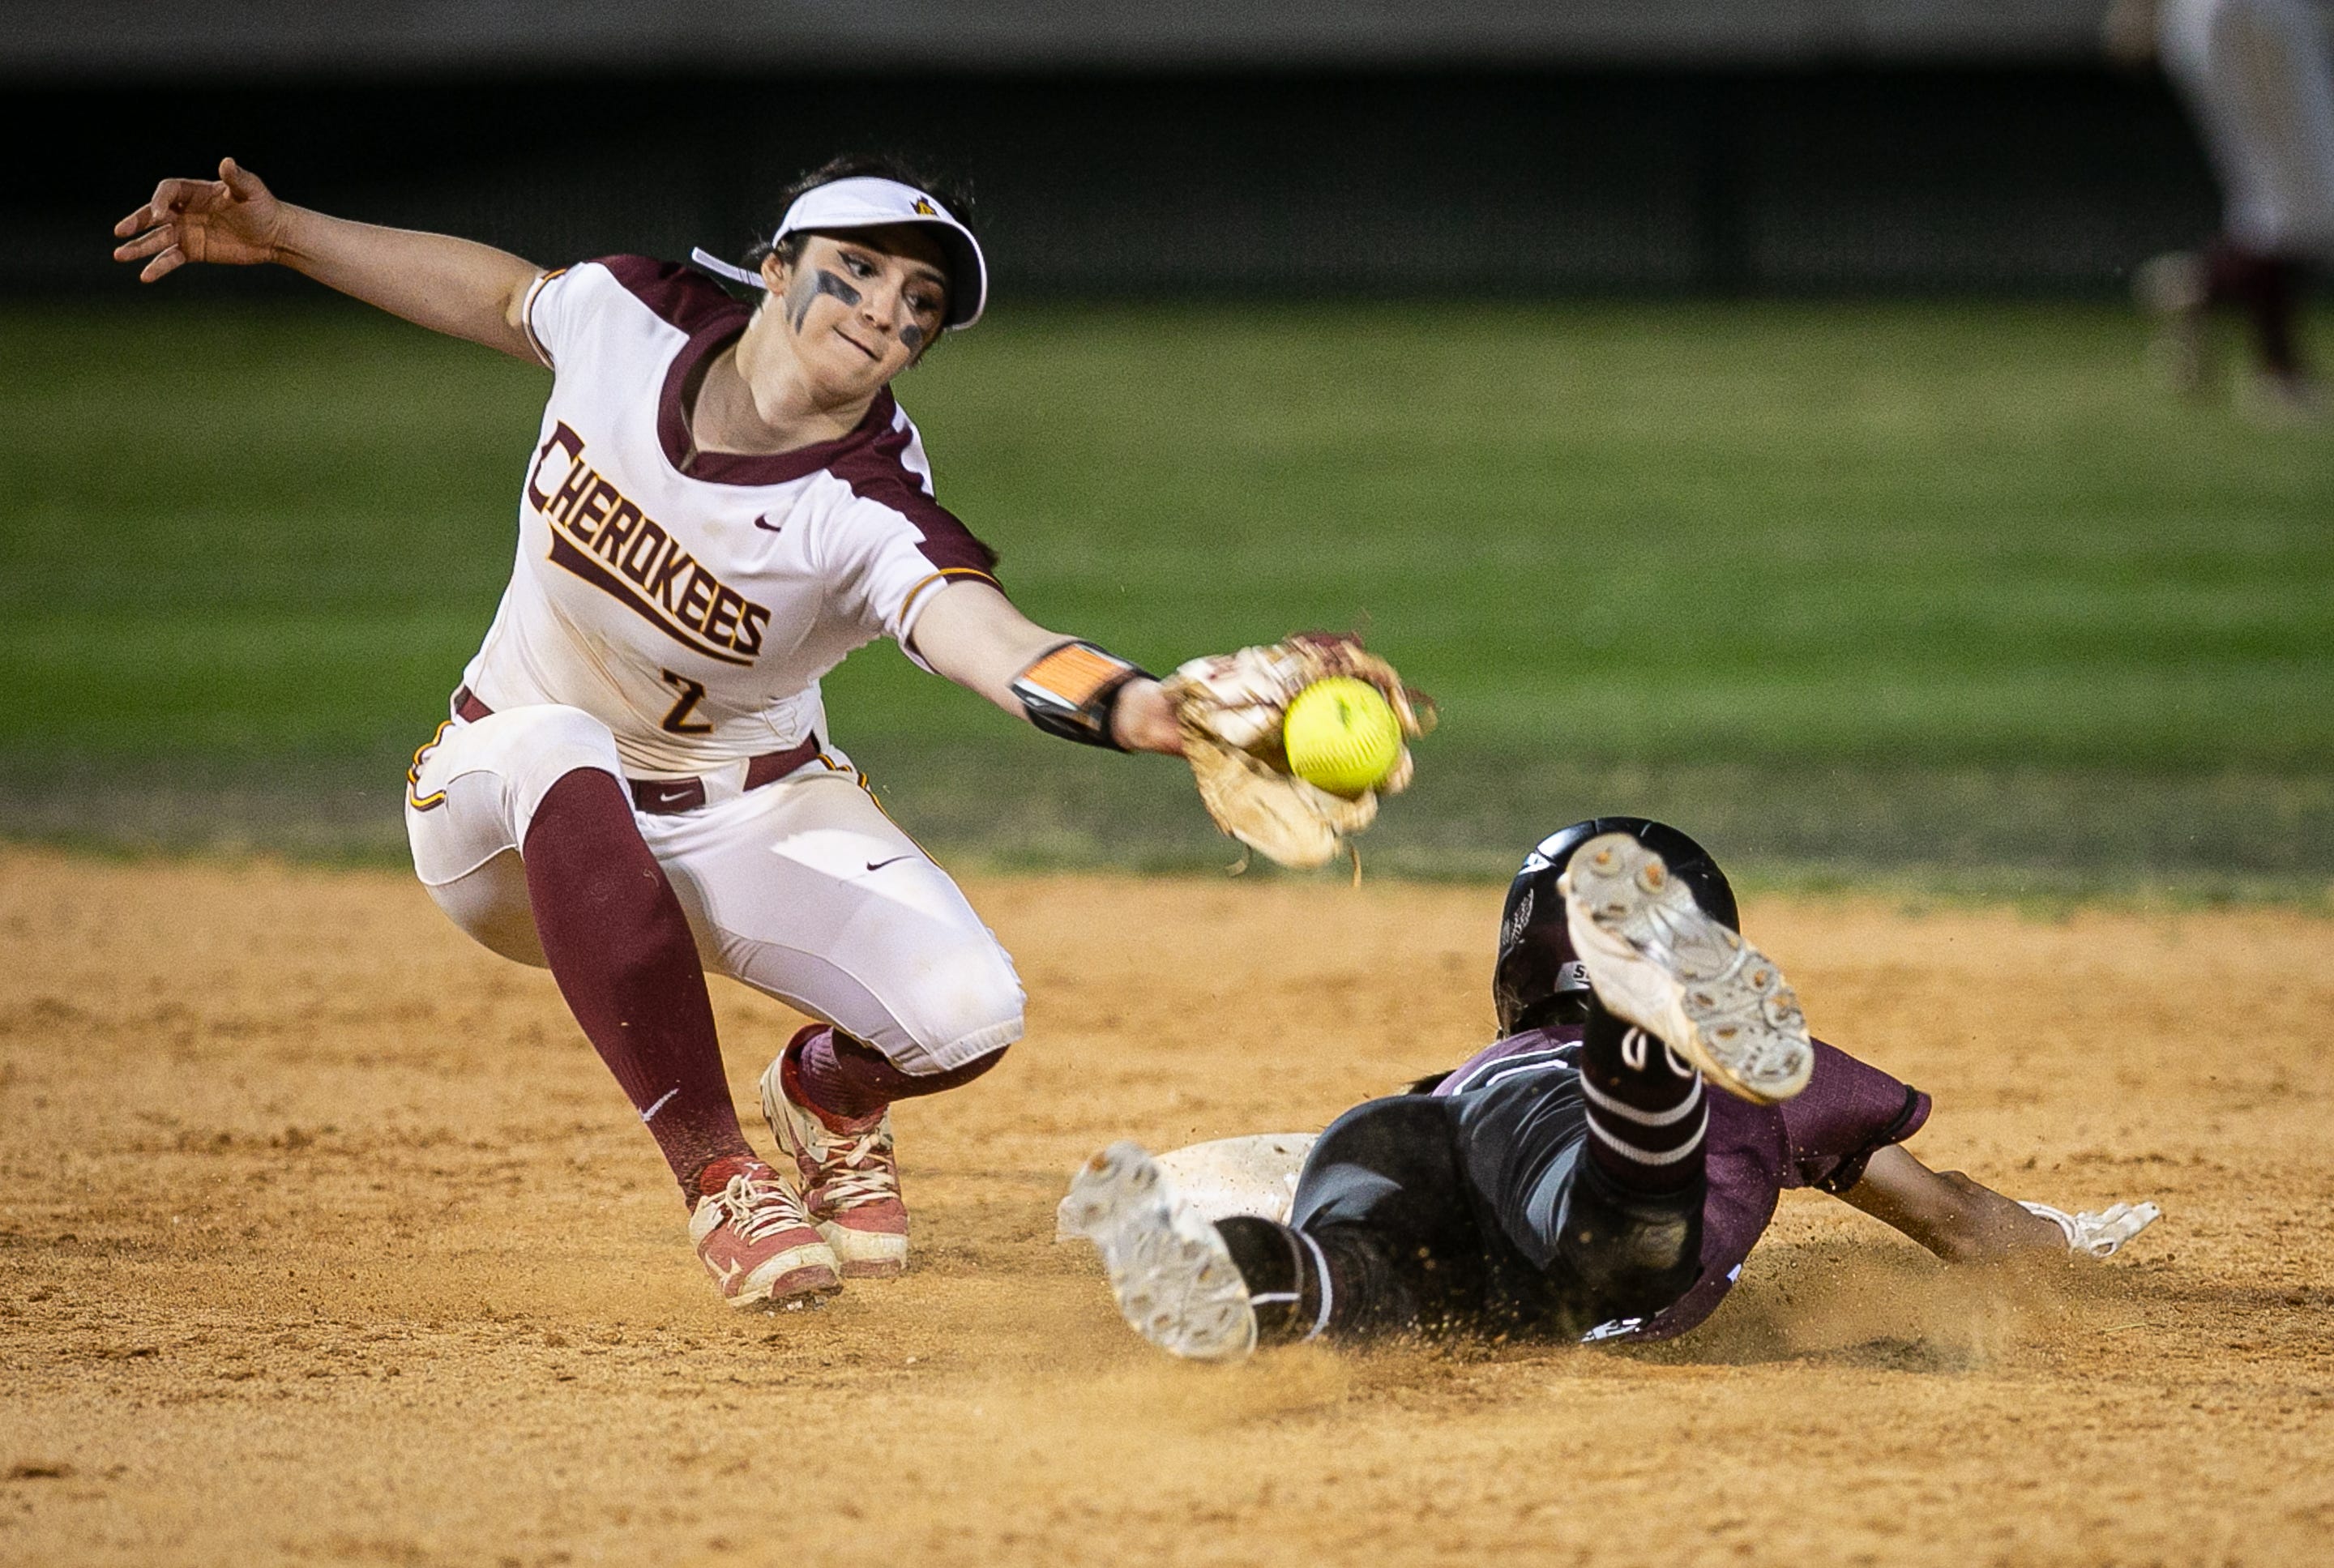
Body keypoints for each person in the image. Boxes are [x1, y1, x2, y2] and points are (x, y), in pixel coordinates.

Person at [110, 153, 1383, 1312]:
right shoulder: (628, 315)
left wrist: (1139, 705)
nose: (888, 308)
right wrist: (284, 236)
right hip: (500, 808)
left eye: (921, 304)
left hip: (745, 805)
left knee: (967, 1011)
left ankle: (825, 1098)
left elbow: (976, 629)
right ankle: (721, 1173)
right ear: (777, 269)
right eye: (863, 268)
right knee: (564, 745)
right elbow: (497, 299)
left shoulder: (864, 499)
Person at [1063, 819, 2160, 1360]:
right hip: (1625, 1175)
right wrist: (2059, 1247)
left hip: (1425, 1126)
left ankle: (1254, 1272)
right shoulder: (1779, 1074)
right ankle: (1647, 1062)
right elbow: (1958, 1221)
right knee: (1605, 1251)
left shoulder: (1472, 1067)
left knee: (1378, 1282)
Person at [2110, 0, 2334, 410]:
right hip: (2246, 15)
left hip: (2246, 17)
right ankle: (2278, 374)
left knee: (2289, 197)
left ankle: (2205, 284)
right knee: (2296, 196)